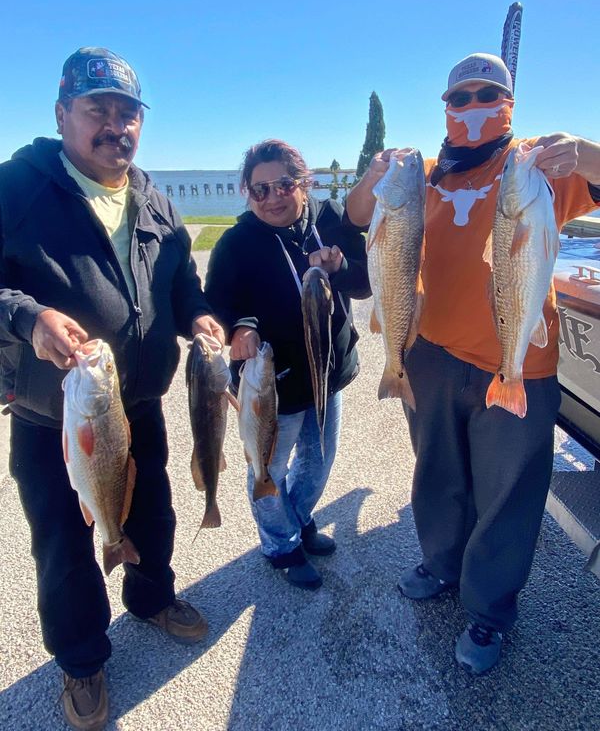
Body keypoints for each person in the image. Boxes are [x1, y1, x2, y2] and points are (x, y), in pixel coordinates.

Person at [346, 53, 600, 675]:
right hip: (430, 354)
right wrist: (375, 172)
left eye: (487, 94)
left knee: (508, 494)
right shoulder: (427, 175)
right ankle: (441, 564)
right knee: (437, 473)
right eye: (459, 98)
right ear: (446, 108)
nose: (472, 106)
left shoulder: (540, 166)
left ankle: (489, 610)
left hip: (517, 365)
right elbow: (357, 215)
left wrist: (585, 151)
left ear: (508, 103)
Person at [0, 47, 225, 731]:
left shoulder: (152, 196)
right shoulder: (17, 186)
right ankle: (81, 659)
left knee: (151, 515)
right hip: (55, 414)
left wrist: (197, 315)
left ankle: (151, 598)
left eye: (127, 113)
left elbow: (182, 282)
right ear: (62, 114)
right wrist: (29, 317)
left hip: (140, 404)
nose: (114, 126)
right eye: (97, 109)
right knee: (65, 545)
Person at [205, 140, 371, 590]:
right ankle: (281, 545)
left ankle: (296, 517)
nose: (272, 197)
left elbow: (366, 283)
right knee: (268, 469)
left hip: (327, 374)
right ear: (247, 192)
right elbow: (217, 307)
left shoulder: (330, 219)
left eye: (283, 185)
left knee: (319, 460)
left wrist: (341, 267)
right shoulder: (236, 244)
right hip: (270, 385)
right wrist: (241, 327)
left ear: (304, 183)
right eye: (259, 190)